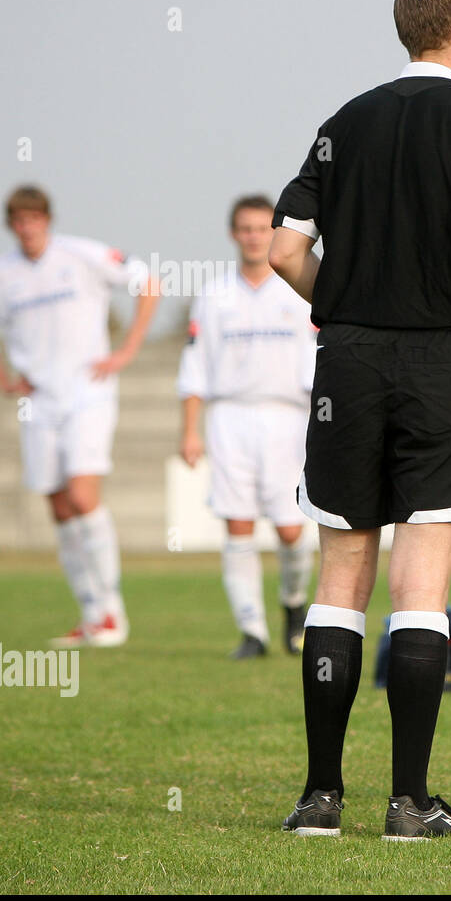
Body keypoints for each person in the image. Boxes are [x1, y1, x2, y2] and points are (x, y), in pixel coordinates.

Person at [266, 0, 451, 841]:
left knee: (339, 581)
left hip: (345, 369)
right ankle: (410, 803)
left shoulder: (346, 119)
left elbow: (282, 249)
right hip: (444, 366)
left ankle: (319, 799)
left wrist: (343, 304)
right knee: (420, 583)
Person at [0, 186, 157, 647]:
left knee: (82, 493)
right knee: (57, 506)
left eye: (34, 218)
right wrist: (1, 376)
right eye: (19, 219)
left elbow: (147, 281)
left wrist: (128, 349)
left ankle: (113, 611)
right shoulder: (0, 274)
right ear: (10, 224)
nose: (27, 226)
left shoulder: (80, 254)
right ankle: (91, 613)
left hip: (88, 392)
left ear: (47, 220)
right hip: (38, 400)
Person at [177, 195, 316, 660]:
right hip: (230, 417)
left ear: (274, 233)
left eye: (262, 228)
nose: (254, 236)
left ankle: (294, 604)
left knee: (291, 529)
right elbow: (194, 367)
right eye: (246, 228)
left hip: (287, 417)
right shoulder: (214, 296)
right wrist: (190, 430)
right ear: (234, 234)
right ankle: (251, 632)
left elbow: (319, 364)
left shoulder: (299, 290)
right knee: (237, 526)